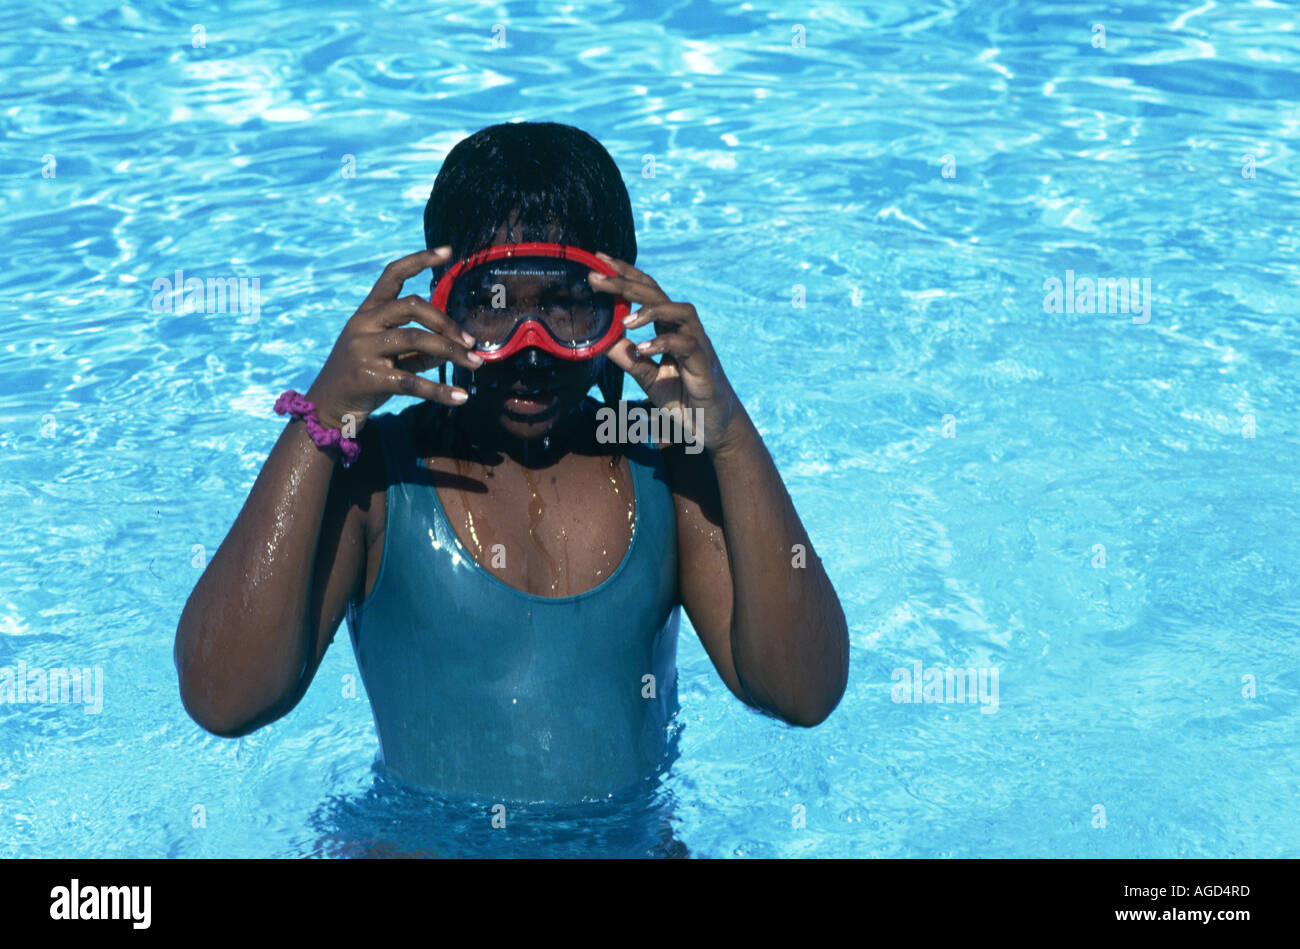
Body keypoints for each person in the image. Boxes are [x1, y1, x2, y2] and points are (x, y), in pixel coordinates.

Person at [174, 121, 848, 821]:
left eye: (568, 308)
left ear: (624, 309)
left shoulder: (664, 467)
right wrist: (322, 416)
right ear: (435, 308)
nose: (531, 348)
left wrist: (730, 437)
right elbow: (225, 699)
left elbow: (804, 691)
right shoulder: (374, 483)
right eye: (491, 307)